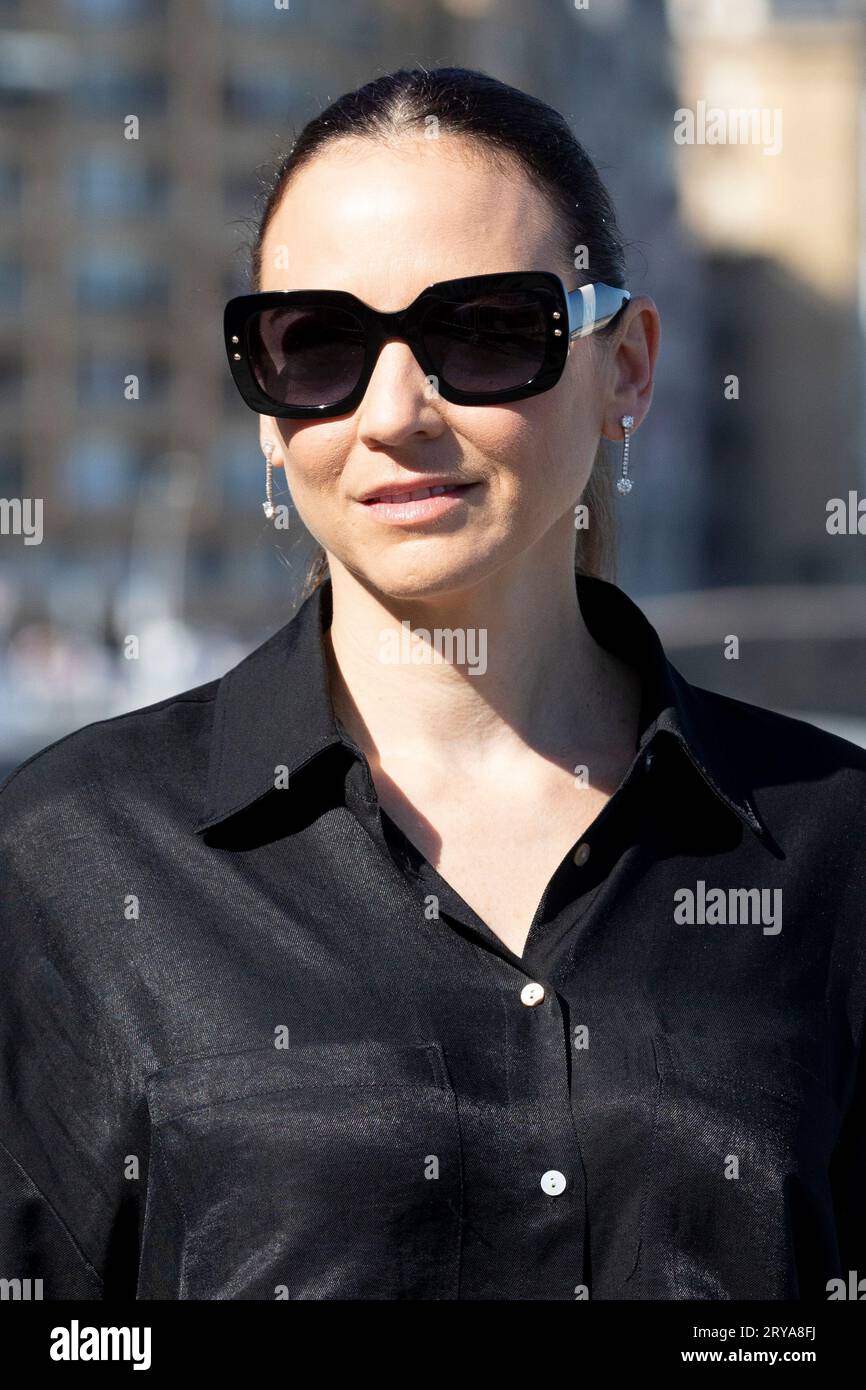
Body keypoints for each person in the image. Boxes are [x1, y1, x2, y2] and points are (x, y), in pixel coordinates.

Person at [0, 65, 864, 1303]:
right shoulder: (76, 855)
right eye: (319, 344)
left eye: (483, 330)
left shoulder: (834, 851)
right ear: (264, 406)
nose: (394, 411)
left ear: (623, 367)